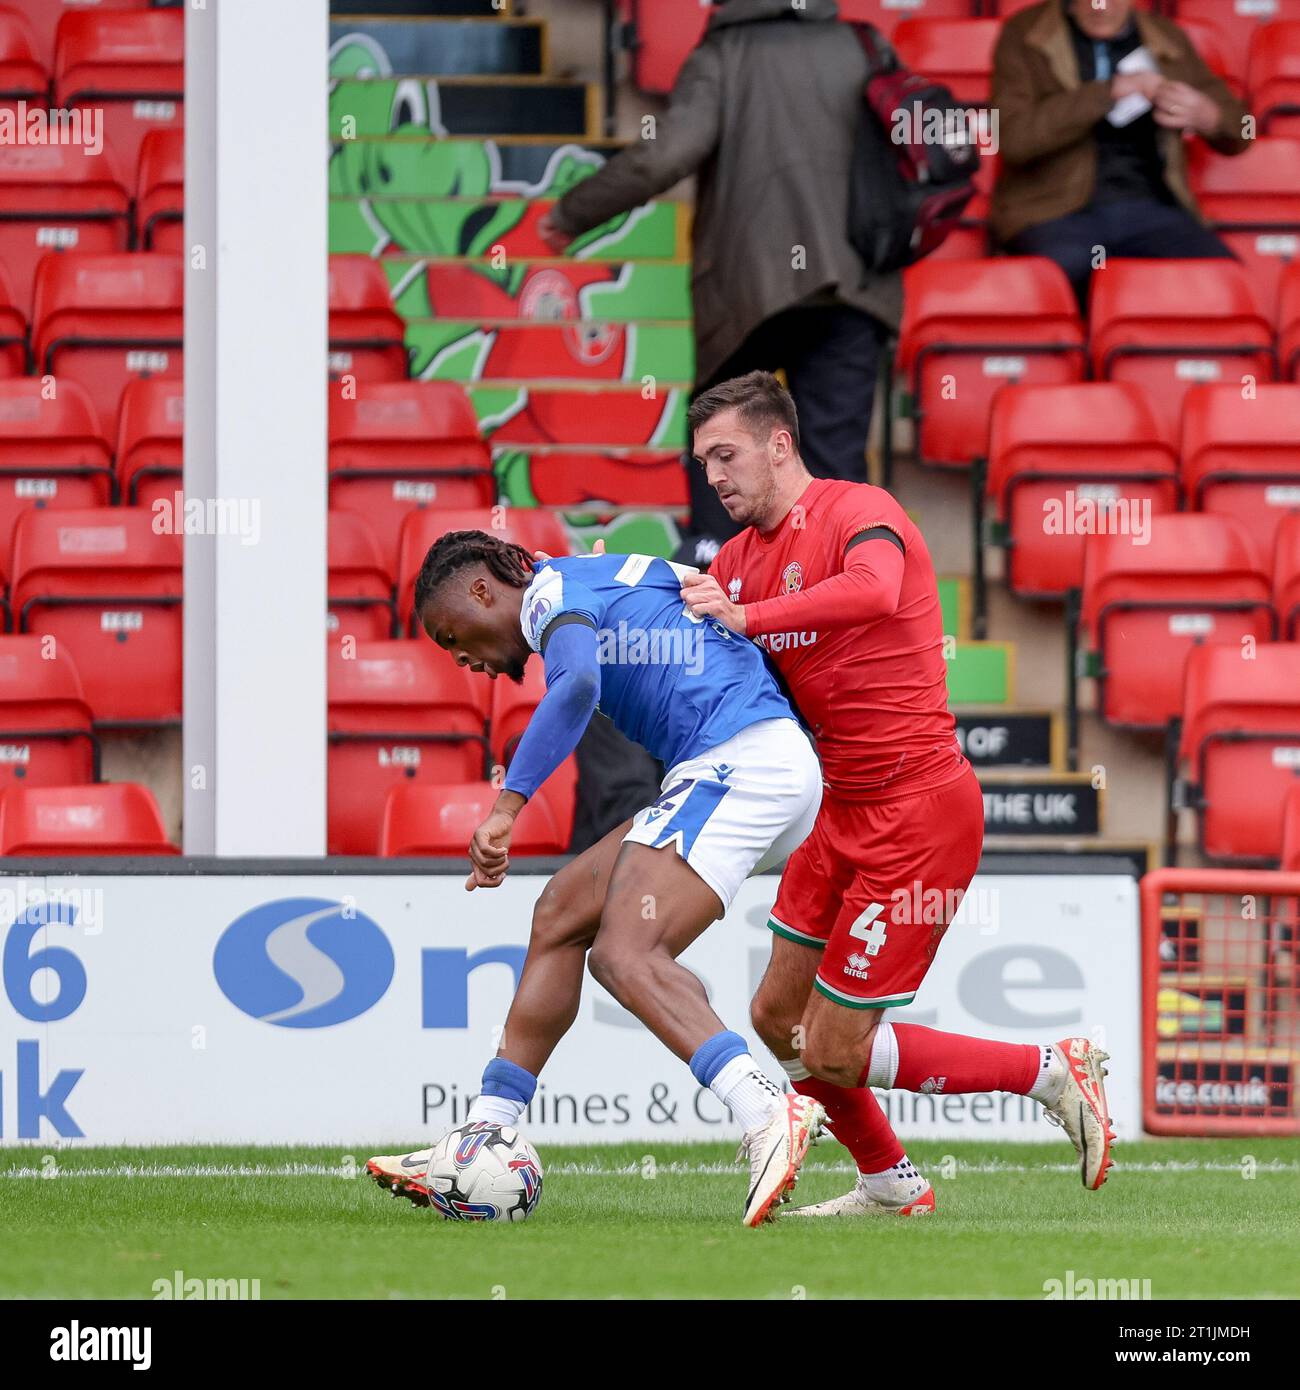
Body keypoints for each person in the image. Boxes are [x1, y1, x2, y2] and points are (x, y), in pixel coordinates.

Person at [679, 372, 1114, 1214]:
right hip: (838, 808)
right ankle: (889, 1183)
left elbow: (876, 589)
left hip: (920, 813)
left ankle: (1053, 1072)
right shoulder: (734, 563)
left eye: (727, 455)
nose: (715, 477)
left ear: (780, 444)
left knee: (837, 1049)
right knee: (776, 1018)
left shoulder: (857, 510)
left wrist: (747, 619)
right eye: (703, 463)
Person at [366, 530, 824, 1226]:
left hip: (741, 760)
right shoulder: (585, 579)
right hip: (736, 761)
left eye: (451, 633)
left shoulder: (551, 593)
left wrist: (506, 808)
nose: (462, 658)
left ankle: (765, 1107)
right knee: (560, 912)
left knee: (624, 953)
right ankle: (483, 1131)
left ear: (484, 591)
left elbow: (577, 684)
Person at [536, 0, 898, 559]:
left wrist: (572, 213)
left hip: (747, 292)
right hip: (855, 286)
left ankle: (715, 589)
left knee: (722, 445)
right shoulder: (864, 46)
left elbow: (665, 156)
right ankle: (840, 608)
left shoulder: (723, 54)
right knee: (836, 474)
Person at [991, 0, 1248, 310]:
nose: (1100, 7)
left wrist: (1211, 117)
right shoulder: (1026, 34)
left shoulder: (1165, 37)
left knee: (1221, 281)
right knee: (1061, 276)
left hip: (1150, 210)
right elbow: (1013, 140)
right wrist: (1107, 92)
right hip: (1054, 211)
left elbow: (1244, 131)